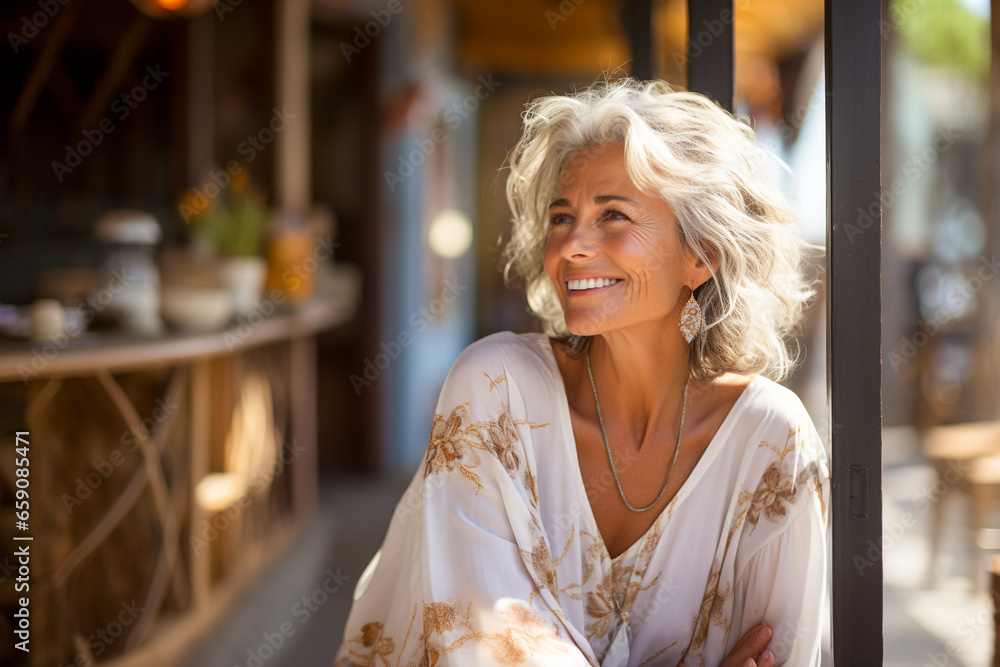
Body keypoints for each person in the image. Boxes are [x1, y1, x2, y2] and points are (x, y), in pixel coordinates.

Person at [334, 79, 830, 667]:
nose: (571, 245)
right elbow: (482, 649)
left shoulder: (771, 442)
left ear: (700, 255)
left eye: (613, 215)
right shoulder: (496, 391)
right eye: (562, 217)